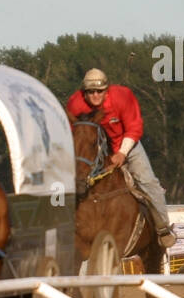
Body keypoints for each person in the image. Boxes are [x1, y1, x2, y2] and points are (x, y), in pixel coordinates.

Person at [66, 67, 177, 248]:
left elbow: (134, 127)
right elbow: (71, 132)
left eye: (99, 91)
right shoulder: (75, 104)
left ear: (106, 90)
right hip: (91, 149)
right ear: (84, 93)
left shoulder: (122, 97)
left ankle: (163, 228)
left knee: (148, 182)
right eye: (90, 92)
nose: (95, 95)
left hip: (126, 143)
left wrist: (122, 153)